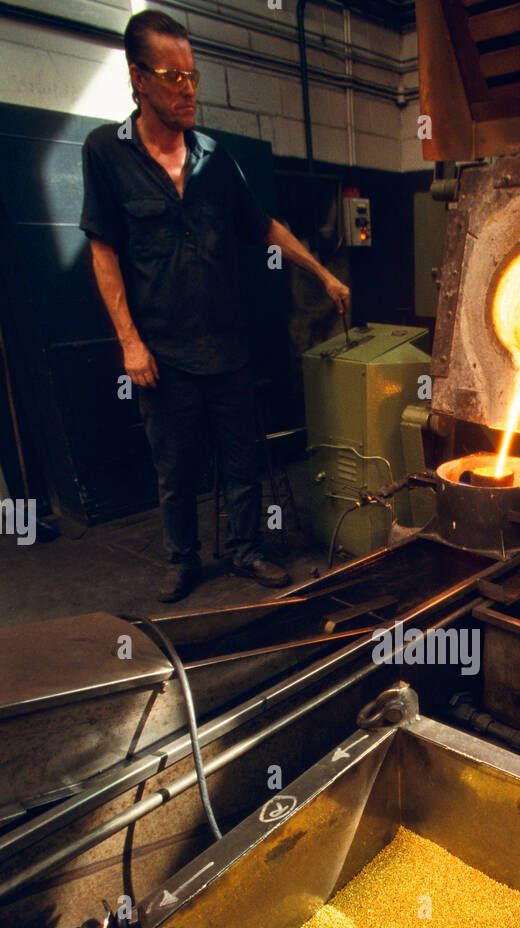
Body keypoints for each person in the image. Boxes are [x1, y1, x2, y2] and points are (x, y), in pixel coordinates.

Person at [80, 9, 351, 602]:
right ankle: (183, 560)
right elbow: (104, 253)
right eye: (173, 77)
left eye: (193, 76)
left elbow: (266, 227)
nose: (188, 89)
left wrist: (323, 273)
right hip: (162, 355)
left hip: (227, 347)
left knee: (240, 463)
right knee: (175, 470)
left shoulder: (214, 158)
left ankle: (247, 551)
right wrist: (130, 343)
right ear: (138, 78)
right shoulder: (107, 152)